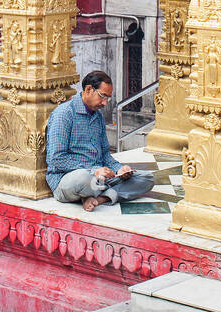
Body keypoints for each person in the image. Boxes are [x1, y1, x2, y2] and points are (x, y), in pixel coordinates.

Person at [46, 70, 155, 211]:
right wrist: (93, 171)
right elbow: (56, 159)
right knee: (83, 178)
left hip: (99, 179)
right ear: (88, 89)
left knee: (146, 179)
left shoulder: (98, 117)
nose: (104, 103)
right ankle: (93, 192)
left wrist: (119, 169)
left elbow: (104, 155)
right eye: (102, 96)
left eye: (108, 99)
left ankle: (98, 198)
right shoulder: (64, 114)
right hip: (69, 179)